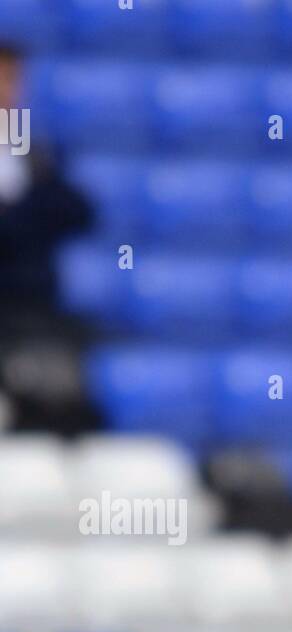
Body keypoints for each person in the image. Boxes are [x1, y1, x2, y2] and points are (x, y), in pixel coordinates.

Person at [0, 39, 98, 432]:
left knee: (60, 397)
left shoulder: (29, 151)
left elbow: (77, 211)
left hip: (28, 308)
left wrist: (16, 215)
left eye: (11, 78)